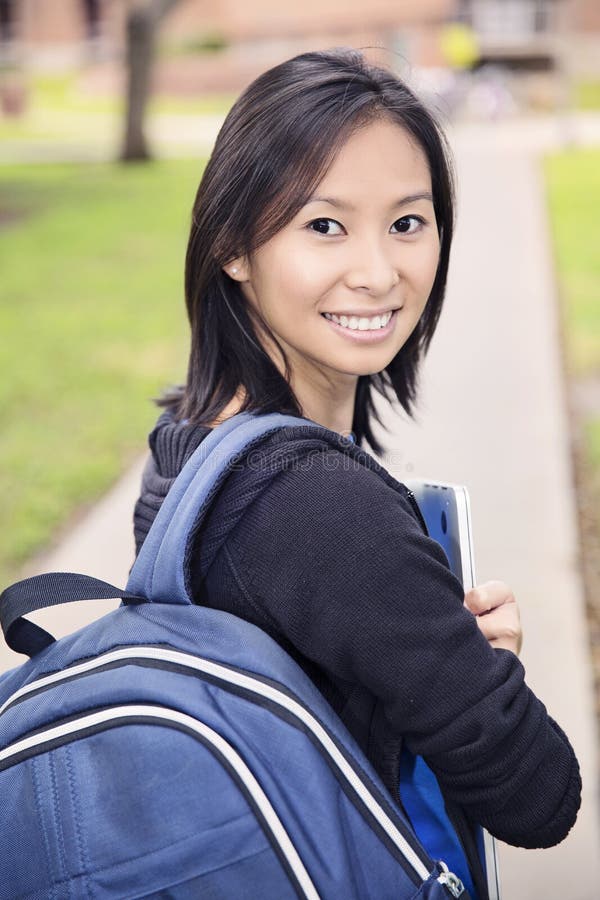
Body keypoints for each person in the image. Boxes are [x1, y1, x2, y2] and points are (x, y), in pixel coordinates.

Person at [133, 48, 581, 899]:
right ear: (232, 244)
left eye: (407, 223)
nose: (379, 272)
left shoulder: (188, 439)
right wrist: (491, 669)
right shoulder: (319, 509)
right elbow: (538, 796)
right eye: (324, 225)